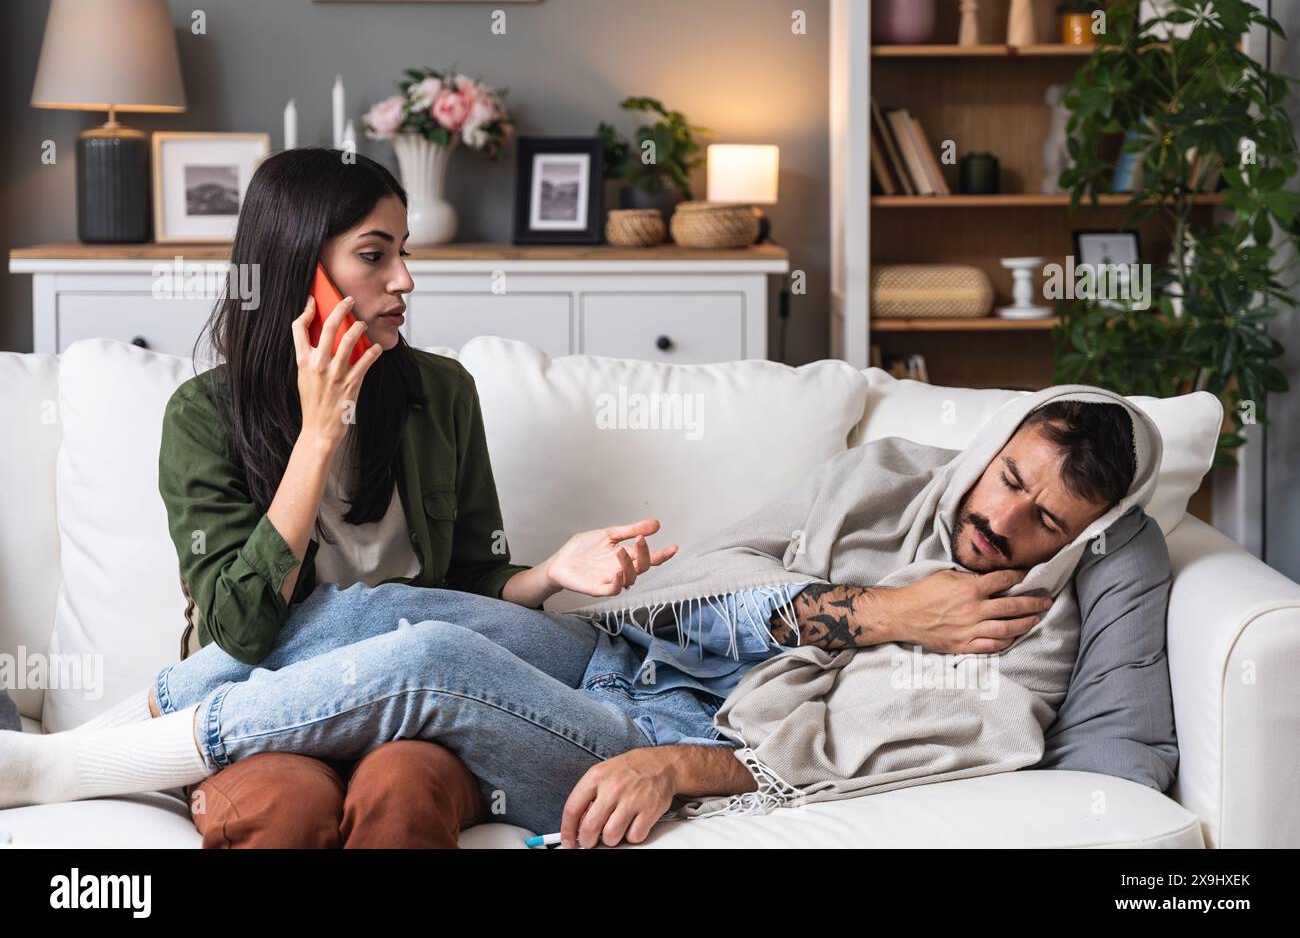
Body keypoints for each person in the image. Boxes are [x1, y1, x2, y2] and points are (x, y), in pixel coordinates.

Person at [1, 391, 1166, 849]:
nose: (1003, 520)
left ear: (1075, 538)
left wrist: (681, 763)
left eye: (1046, 518)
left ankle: (62, 766)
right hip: (619, 653)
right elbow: (716, 583)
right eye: (1009, 477)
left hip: (649, 733)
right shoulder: (887, 477)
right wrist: (860, 605)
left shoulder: (1016, 629)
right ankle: (97, 737)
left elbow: (858, 764)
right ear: (990, 448)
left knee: (436, 656)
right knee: (366, 601)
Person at [58, 147, 677, 848]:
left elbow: (467, 588)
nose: (405, 280)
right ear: (301, 269)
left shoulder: (440, 393)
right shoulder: (202, 418)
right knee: (284, 807)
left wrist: (547, 575)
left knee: (404, 791)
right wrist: (317, 440)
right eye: (375, 256)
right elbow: (242, 632)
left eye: (403, 253)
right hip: (271, 698)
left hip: (413, 708)